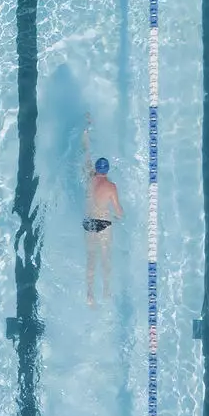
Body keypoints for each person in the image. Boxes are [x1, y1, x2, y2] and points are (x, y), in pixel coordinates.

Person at [84, 118, 123, 306]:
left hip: (89, 223)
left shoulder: (89, 178)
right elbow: (119, 211)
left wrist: (86, 132)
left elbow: (86, 155)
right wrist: (120, 216)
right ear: (107, 170)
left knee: (91, 257)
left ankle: (90, 293)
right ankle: (106, 291)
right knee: (105, 258)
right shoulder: (111, 186)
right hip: (103, 224)